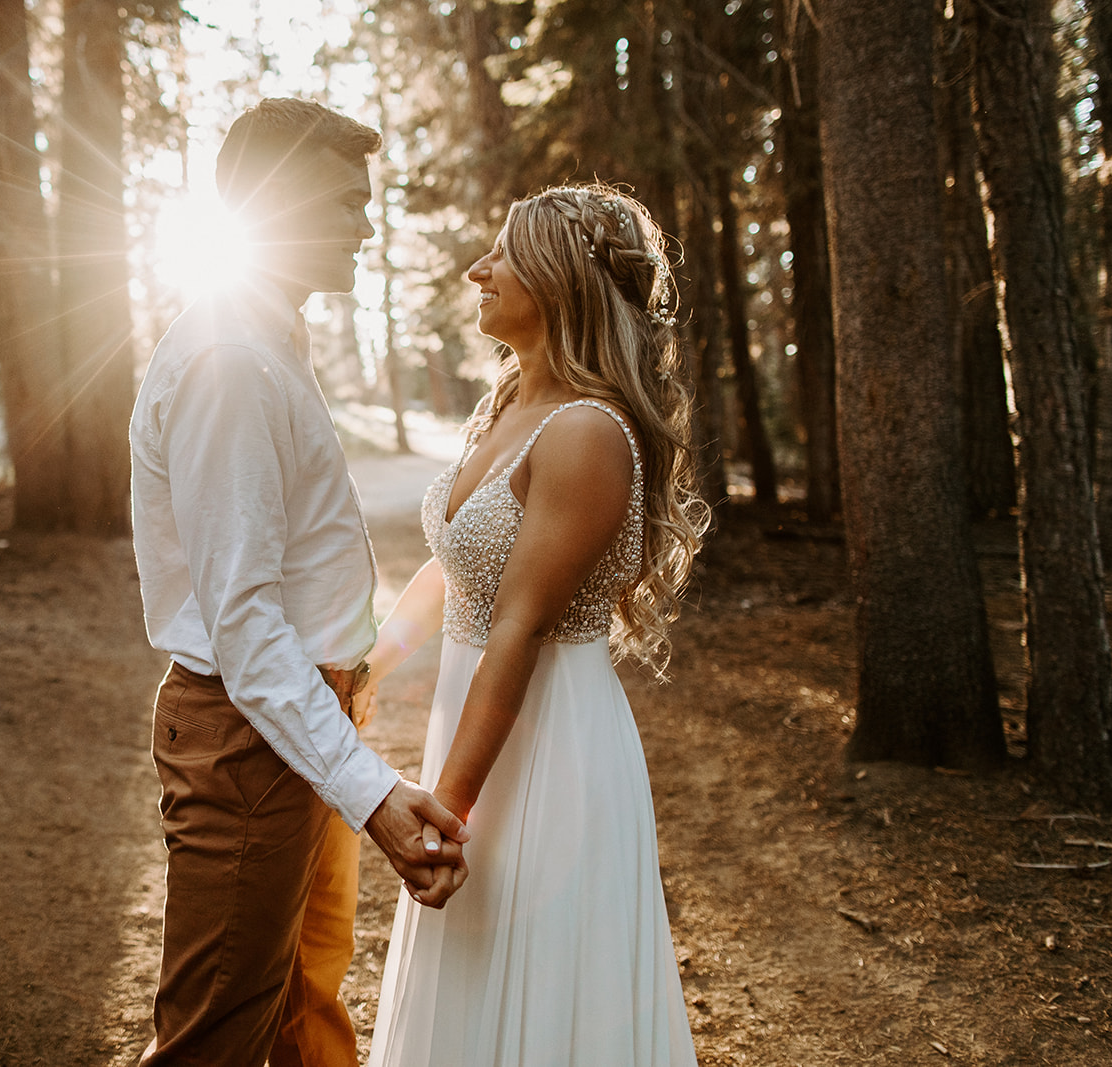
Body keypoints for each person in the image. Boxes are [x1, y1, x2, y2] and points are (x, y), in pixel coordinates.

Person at [128, 98, 469, 1067]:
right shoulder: (231, 359)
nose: (365, 223)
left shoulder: (269, 334)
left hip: (301, 722)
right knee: (215, 1037)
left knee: (299, 1009)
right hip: (247, 737)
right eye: (342, 200)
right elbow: (241, 622)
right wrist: (371, 792)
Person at [356, 183, 709, 1067]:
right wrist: (367, 673)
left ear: (558, 278)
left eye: (502, 254)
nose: (478, 269)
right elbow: (453, 570)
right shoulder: (507, 404)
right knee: (472, 987)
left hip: (549, 748)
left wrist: (447, 815)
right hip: (477, 724)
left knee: (543, 998)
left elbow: (515, 629)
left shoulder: (587, 431)